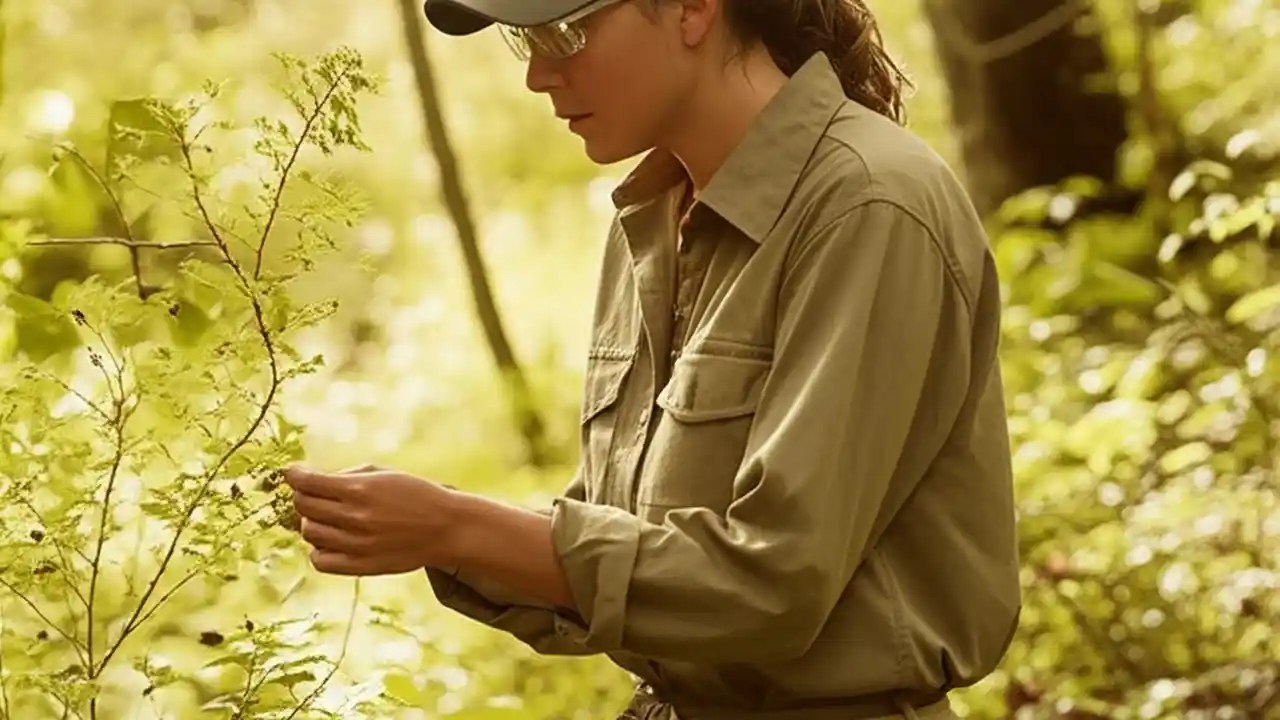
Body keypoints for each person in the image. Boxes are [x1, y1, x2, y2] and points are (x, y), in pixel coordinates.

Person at [281, 1, 1022, 718]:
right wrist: (423, 524)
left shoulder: (869, 204)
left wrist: (457, 527)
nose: (538, 76)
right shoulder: (654, 218)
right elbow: (632, 547)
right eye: (523, 42)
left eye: (564, 33)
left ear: (692, 9)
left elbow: (773, 584)